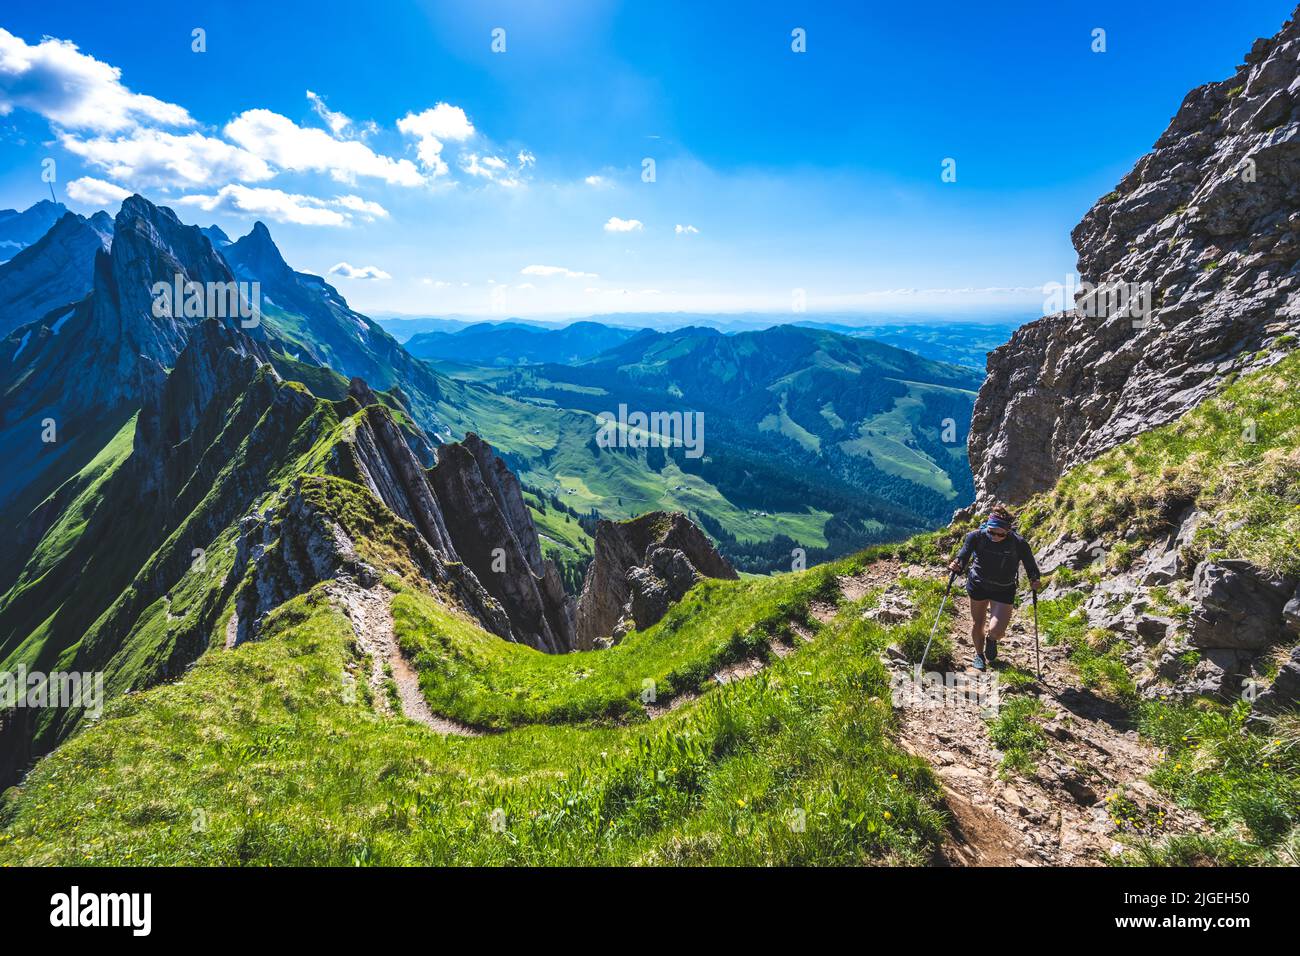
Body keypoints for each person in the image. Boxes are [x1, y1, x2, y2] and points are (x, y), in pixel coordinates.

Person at [947, 504, 1041, 672]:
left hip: (1004, 589)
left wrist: (1035, 579)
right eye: (991, 532)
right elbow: (964, 555)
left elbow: (1030, 566)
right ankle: (979, 655)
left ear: (1008, 531)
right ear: (987, 527)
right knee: (978, 622)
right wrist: (957, 565)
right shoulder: (976, 537)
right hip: (978, 584)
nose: (995, 536)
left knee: (997, 630)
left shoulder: (1019, 543)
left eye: (1000, 534)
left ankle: (991, 639)